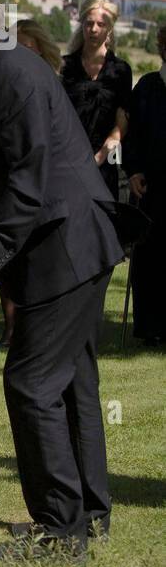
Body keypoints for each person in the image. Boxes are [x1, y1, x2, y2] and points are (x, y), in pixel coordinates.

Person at [0, 0, 125, 558]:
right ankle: (87, 515)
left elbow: (28, 178)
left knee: (32, 382)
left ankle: (59, 531)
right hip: (67, 244)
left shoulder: (10, 69)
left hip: (67, 247)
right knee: (70, 384)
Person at [0, 20, 62, 346]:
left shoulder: (51, 87)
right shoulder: (7, 88)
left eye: (29, 48)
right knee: (10, 266)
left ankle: (33, 327)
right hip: (12, 188)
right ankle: (10, 327)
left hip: (45, 195)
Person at [61, 0, 132, 199]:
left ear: (109, 29)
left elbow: (122, 118)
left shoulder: (120, 70)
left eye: (101, 24)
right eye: (89, 23)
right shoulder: (65, 67)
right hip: (68, 161)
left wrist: (102, 153)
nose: (93, 29)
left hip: (104, 162)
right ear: (81, 25)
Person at [125, 25, 166, 347]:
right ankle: (149, 326)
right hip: (152, 187)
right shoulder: (148, 87)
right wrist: (134, 170)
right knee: (150, 256)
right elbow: (133, 136)